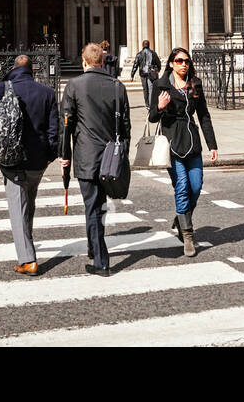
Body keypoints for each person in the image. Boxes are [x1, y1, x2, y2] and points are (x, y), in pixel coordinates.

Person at [58, 42, 131, 277]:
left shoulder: (74, 85)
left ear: (84, 62)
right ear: (102, 61)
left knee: (93, 208)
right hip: (111, 157)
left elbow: (65, 125)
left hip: (86, 157)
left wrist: (64, 156)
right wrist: (122, 154)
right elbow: (126, 126)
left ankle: (101, 261)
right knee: (98, 207)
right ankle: (93, 245)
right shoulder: (117, 86)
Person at [0, 54, 59, 277]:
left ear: (14, 68)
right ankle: (27, 240)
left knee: (18, 208)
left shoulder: (3, 88)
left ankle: (28, 260)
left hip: (11, 159)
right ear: (33, 70)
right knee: (29, 203)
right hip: (38, 161)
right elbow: (54, 130)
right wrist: (51, 155)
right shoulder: (47, 93)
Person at [148, 47, 218, 257]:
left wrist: (212, 144)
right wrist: (160, 107)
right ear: (171, 63)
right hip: (171, 141)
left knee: (195, 186)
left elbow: (204, 115)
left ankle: (181, 217)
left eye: (186, 61)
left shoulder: (195, 83)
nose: (183, 64)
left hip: (192, 140)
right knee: (182, 185)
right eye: (178, 61)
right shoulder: (161, 85)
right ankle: (187, 234)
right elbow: (152, 117)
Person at [130, 39, 161, 110]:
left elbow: (135, 65)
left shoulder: (139, 54)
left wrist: (132, 75)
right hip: (151, 73)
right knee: (151, 88)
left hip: (143, 73)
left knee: (145, 89)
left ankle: (147, 104)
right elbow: (158, 62)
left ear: (142, 45)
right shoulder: (153, 53)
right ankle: (151, 103)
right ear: (149, 45)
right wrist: (158, 70)